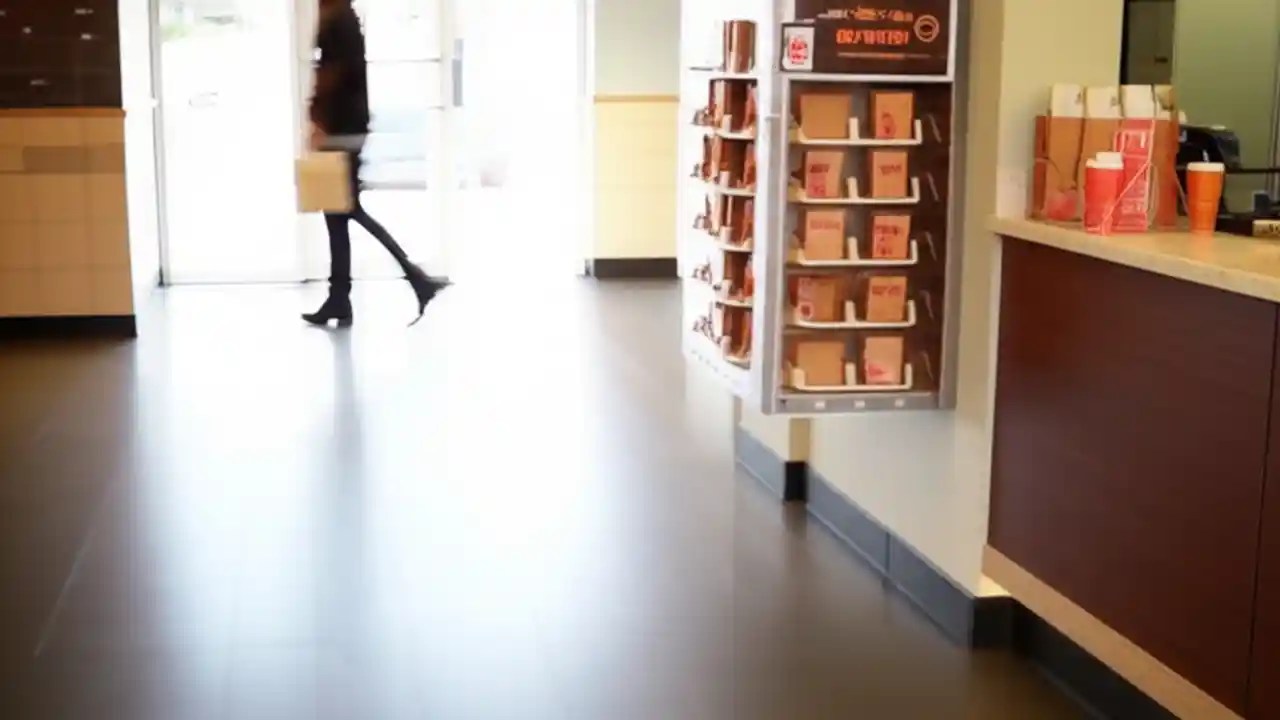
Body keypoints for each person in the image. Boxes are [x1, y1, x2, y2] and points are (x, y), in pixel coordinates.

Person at [304, 0, 445, 327]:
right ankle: (340, 298)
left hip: (340, 130)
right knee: (339, 216)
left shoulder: (337, 20)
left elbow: (332, 75)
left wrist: (316, 119)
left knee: (347, 212)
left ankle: (416, 279)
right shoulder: (345, 18)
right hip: (347, 127)